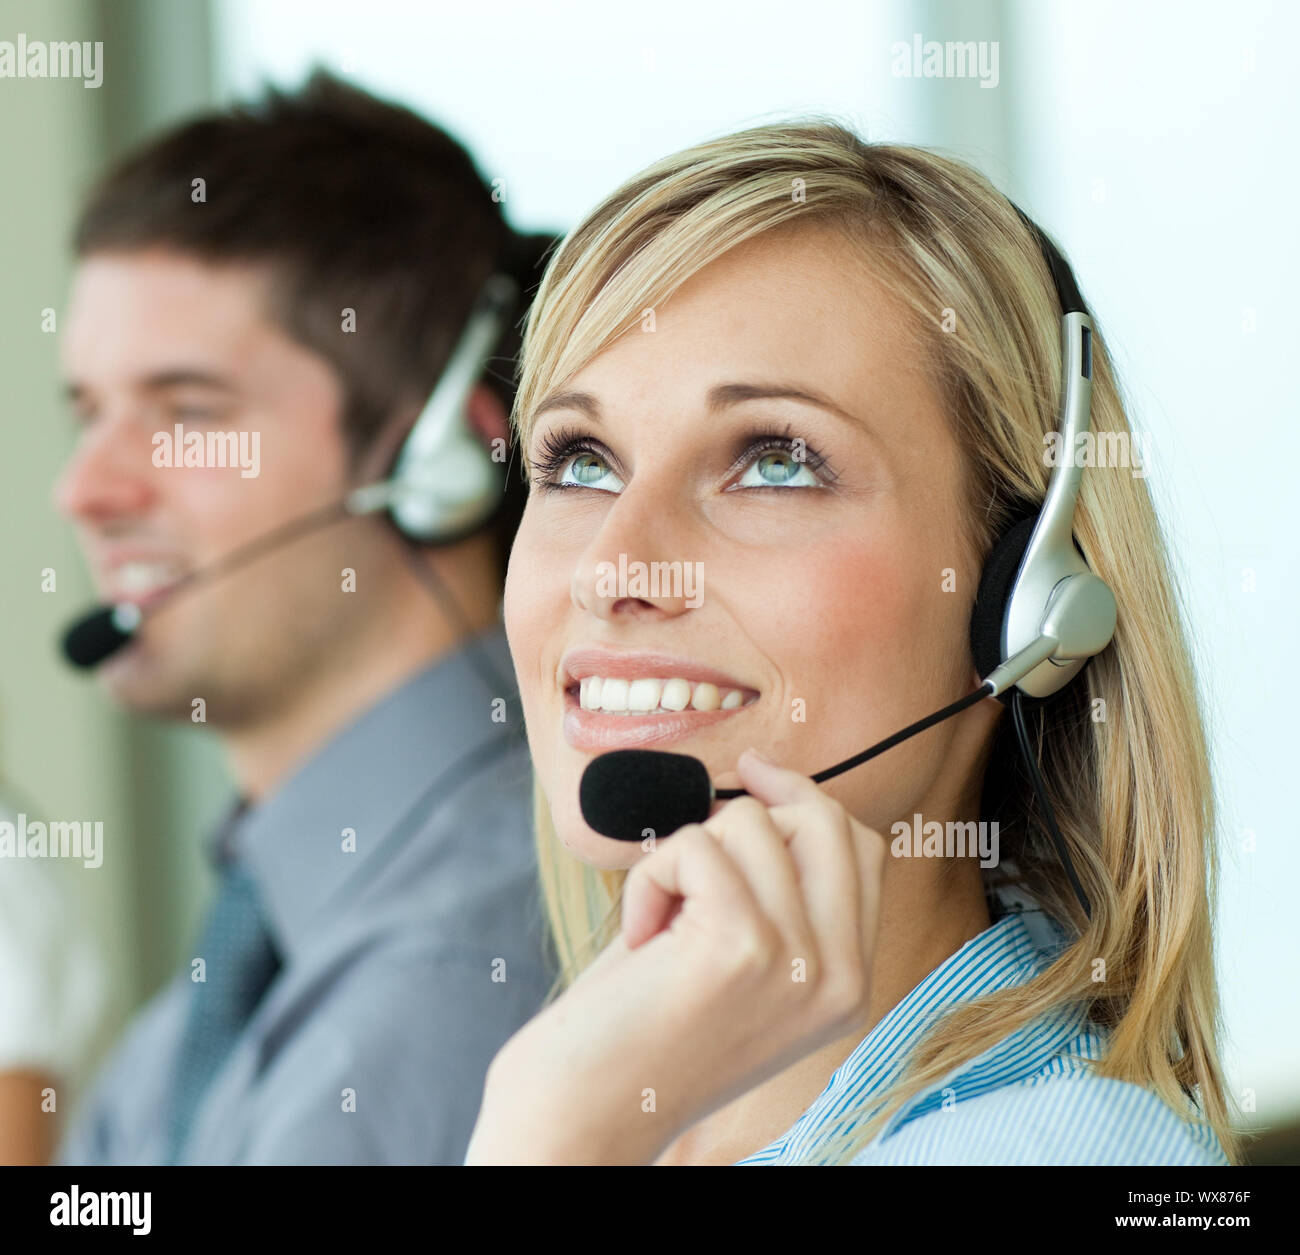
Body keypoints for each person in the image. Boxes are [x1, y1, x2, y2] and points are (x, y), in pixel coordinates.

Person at [463, 121, 1238, 1165]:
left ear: (1023, 602)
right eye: (580, 459)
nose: (612, 567)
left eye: (775, 461)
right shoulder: (638, 1111)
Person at [52, 70, 555, 1165]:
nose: (85, 491)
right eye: (90, 412)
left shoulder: (475, 949)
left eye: (187, 411)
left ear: (442, 457)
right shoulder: (257, 948)